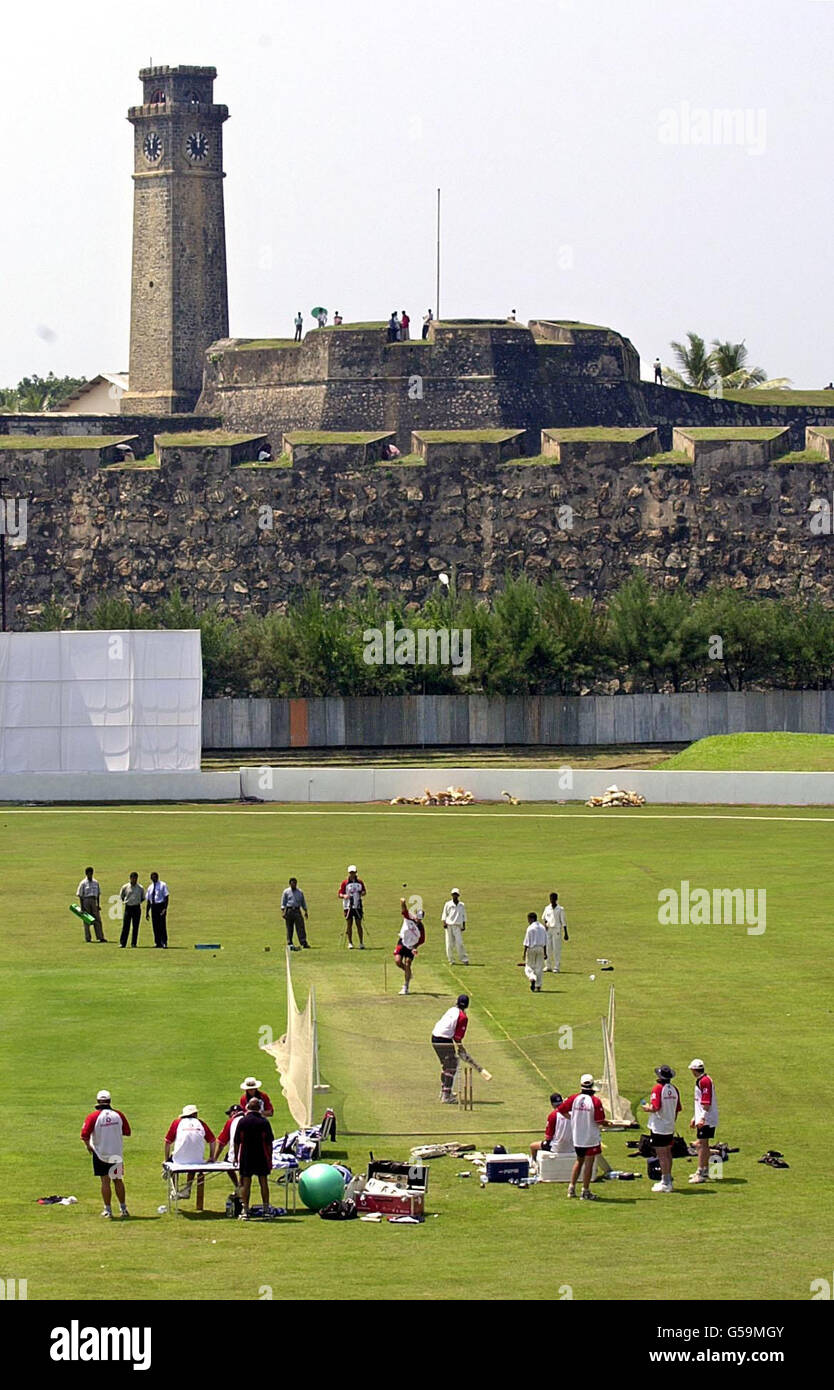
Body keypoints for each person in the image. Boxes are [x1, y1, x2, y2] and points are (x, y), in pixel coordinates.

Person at [557, 1074, 609, 1200]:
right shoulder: (595, 1101)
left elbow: (561, 1109)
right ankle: (585, 1191)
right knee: (589, 1164)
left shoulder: (574, 1098)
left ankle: (571, 1188)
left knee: (579, 1161)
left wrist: (573, 1119)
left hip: (578, 1138)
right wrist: (607, 1123)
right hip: (590, 1138)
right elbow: (599, 1121)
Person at [80, 1088, 131, 1218]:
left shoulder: (93, 1117)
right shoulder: (118, 1115)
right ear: (110, 1101)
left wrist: (88, 1147)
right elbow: (127, 1131)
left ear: (98, 1101)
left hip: (100, 1153)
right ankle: (123, 1209)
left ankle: (108, 1210)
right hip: (116, 1153)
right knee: (118, 1180)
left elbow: (84, 1135)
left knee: (105, 1182)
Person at [642, 1064, 682, 1194]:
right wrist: (671, 1121)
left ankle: (665, 1182)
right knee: (668, 1153)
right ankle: (668, 1178)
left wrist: (647, 1108)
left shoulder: (658, 1089)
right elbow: (677, 1109)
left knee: (662, 1154)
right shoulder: (674, 1089)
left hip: (659, 1126)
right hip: (669, 1125)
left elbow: (655, 1107)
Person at [164, 1104, 217, 1200]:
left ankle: (174, 1189)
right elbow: (212, 1141)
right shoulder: (201, 1123)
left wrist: (166, 1159)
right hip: (198, 1160)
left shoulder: (177, 1122)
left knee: (172, 1162)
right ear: (195, 1114)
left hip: (179, 1160)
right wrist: (212, 1157)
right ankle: (188, 1188)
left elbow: (167, 1142)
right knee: (193, 1160)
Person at [234, 1098, 275, 1220]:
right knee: (263, 1182)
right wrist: (270, 1158)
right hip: (261, 1155)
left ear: (248, 1107)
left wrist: (236, 1157)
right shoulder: (264, 1122)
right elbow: (269, 1143)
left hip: (246, 1155)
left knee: (246, 1183)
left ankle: (245, 1210)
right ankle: (266, 1209)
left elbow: (237, 1141)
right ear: (259, 1108)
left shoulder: (242, 1121)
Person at [431, 994, 469, 1103]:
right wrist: (462, 1049)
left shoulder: (452, 1010)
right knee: (451, 1065)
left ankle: (444, 1091)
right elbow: (457, 1037)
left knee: (447, 1065)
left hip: (434, 1037)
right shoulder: (463, 1017)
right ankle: (446, 1096)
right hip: (443, 1039)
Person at [688, 1058, 719, 1184]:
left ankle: (701, 1172)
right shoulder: (702, 1080)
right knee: (703, 1144)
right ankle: (704, 1170)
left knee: (701, 1145)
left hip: (706, 1119)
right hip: (704, 1117)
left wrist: (701, 1118)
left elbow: (706, 1102)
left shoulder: (704, 1081)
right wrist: (695, 1117)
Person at [530, 1091, 572, 1162]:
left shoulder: (553, 1115)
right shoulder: (572, 1114)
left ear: (552, 1104)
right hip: (572, 1146)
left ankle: (535, 1164)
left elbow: (548, 1137)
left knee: (533, 1146)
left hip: (557, 1147)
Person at [395, 897, 423, 995]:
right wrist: (402, 902)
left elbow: (421, 940)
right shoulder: (409, 917)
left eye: (420, 919)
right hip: (402, 942)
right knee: (398, 961)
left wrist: (415, 948)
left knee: (408, 963)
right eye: (417, 918)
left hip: (411, 946)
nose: (418, 920)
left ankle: (406, 986)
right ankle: (408, 972)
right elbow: (404, 910)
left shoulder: (421, 928)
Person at [214, 1104, 245, 1194]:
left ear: (234, 1113)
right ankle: (240, 1185)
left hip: (236, 1154)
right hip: (252, 1154)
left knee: (229, 1161)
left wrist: (214, 1159)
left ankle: (238, 1185)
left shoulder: (231, 1122)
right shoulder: (249, 1119)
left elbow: (221, 1143)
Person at [338, 865, 366, 949]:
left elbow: (364, 891)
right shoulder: (345, 883)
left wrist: (362, 893)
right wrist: (345, 896)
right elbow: (340, 894)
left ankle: (361, 943)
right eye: (351, 873)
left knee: (359, 924)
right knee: (349, 924)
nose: (352, 874)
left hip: (357, 906)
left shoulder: (360, 882)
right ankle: (350, 942)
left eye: (353, 872)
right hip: (348, 906)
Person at [77, 867, 106, 943]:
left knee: (98, 920)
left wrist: (98, 905)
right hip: (86, 900)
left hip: (94, 900)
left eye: (91, 873)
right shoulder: (83, 883)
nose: (90, 875)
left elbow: (98, 894)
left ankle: (100, 937)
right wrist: (82, 907)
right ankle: (88, 938)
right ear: (86, 874)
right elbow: (80, 895)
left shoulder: (96, 882)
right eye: (89, 873)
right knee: (87, 920)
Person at [542, 891, 568, 973]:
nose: (552, 900)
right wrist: (545, 924)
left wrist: (566, 933)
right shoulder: (547, 908)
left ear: (556, 899)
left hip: (557, 930)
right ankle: (548, 966)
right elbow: (544, 918)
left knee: (556, 948)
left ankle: (556, 966)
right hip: (548, 930)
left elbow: (563, 921)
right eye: (551, 899)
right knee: (548, 948)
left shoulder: (560, 909)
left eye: (553, 899)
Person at [441, 889, 469, 965]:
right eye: (453, 894)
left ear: (458, 895)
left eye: (456, 894)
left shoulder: (461, 905)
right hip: (449, 925)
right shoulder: (448, 904)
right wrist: (444, 922)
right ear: (451, 895)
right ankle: (451, 960)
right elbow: (444, 914)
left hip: (458, 926)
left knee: (459, 943)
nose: (454, 896)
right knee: (449, 944)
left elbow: (464, 915)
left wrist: (464, 925)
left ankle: (464, 959)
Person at [281, 876, 309, 950]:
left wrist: (305, 911)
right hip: (289, 910)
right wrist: (283, 912)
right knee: (289, 927)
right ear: (290, 884)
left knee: (300, 927)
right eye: (293, 884)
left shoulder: (300, 892)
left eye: (295, 883)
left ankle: (303, 942)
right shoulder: (286, 892)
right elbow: (283, 903)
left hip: (297, 910)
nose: (294, 885)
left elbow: (303, 902)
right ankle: (290, 943)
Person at [119, 872, 145, 948]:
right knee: (126, 926)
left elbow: (143, 898)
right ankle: (123, 943)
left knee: (135, 926)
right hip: (128, 907)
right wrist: (126, 901)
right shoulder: (125, 887)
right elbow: (122, 896)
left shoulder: (140, 888)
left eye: (136, 878)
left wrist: (137, 901)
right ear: (130, 878)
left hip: (136, 908)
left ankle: (134, 943)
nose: (134, 880)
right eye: (133, 878)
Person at [522, 911, 547, 991]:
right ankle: (538, 986)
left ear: (531, 919)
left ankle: (532, 978)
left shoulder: (530, 928)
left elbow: (526, 942)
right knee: (539, 967)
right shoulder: (542, 927)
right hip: (540, 948)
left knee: (529, 966)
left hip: (532, 948)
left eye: (528, 919)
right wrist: (545, 953)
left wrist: (524, 953)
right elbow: (545, 941)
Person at [146, 871, 169, 947]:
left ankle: (164, 942)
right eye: (152, 877)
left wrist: (165, 908)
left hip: (160, 906)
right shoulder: (150, 887)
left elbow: (166, 897)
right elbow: (149, 900)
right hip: (154, 907)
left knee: (162, 925)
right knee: (155, 925)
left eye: (155, 877)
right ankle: (157, 942)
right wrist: (147, 912)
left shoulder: (163, 885)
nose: (154, 879)